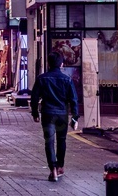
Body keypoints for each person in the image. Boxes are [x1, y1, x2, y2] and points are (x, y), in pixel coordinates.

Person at [30, 51, 80, 181]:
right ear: (61, 64)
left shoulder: (41, 78)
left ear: (48, 64)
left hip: (47, 114)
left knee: (49, 142)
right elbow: (73, 99)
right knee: (61, 140)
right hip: (62, 115)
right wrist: (75, 118)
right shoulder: (67, 79)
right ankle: (60, 167)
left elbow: (34, 97)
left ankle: (53, 170)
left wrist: (35, 113)